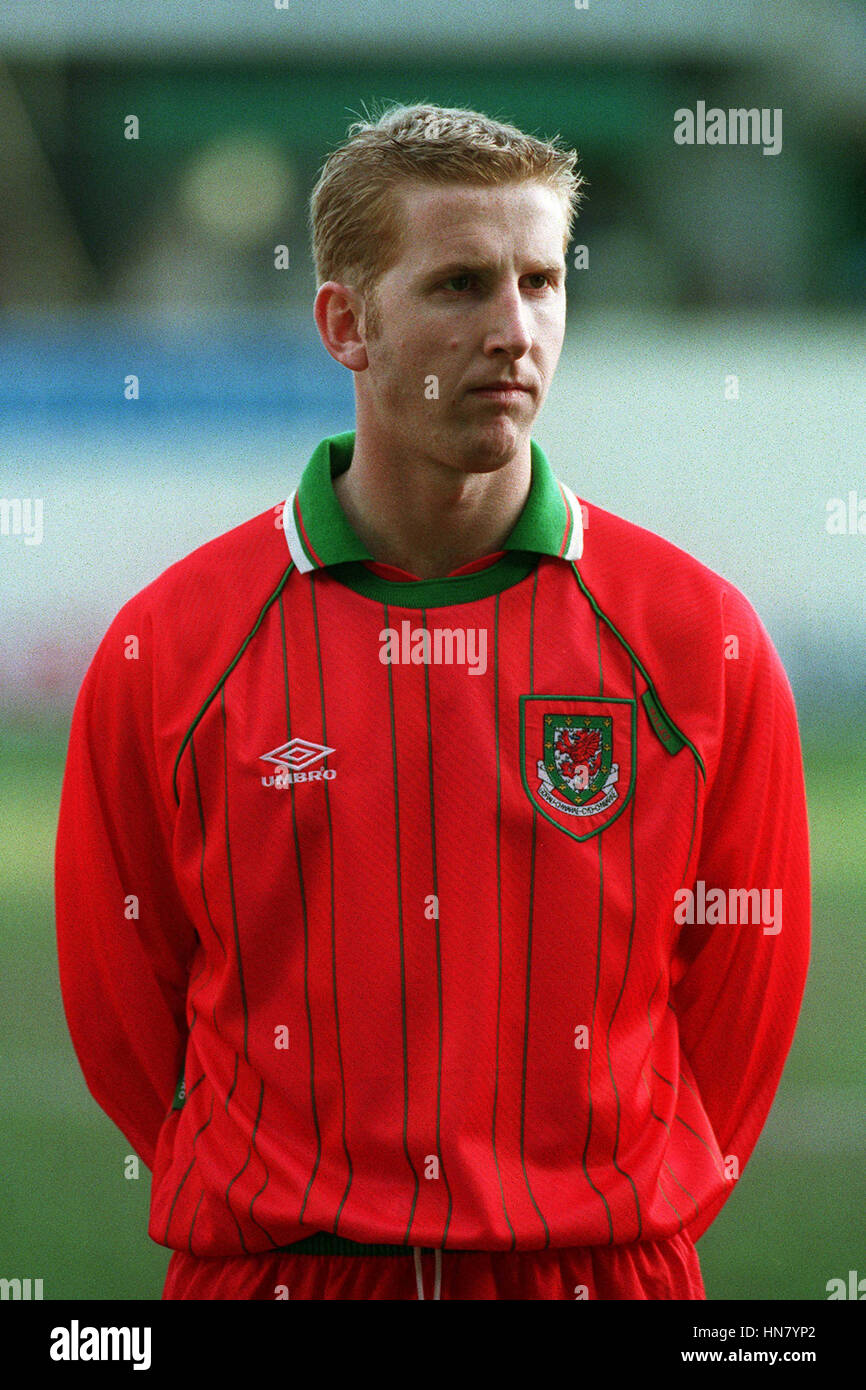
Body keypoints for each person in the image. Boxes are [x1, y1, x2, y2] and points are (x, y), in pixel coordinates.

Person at [54, 102, 810, 1301]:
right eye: (460, 285)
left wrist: (585, 1205)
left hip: (595, 1275)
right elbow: (119, 1000)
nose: (514, 330)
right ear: (345, 325)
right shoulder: (173, 647)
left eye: (540, 282)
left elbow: (741, 996)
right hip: (281, 1277)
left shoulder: (694, 638)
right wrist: (299, 1202)